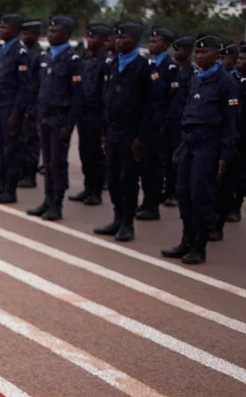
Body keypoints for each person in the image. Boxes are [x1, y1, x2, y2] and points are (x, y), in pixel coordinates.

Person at [161, 34, 238, 263]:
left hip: (209, 145)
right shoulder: (195, 79)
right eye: (197, 52)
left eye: (205, 52)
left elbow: (231, 124)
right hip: (189, 144)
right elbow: (188, 112)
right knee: (183, 193)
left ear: (217, 55)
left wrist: (225, 155)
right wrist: (180, 146)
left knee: (200, 196)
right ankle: (186, 240)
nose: (199, 56)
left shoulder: (226, 84)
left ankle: (199, 246)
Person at [94, 22, 158, 242]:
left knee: (128, 178)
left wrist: (141, 137)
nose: (119, 41)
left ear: (136, 40)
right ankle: (117, 217)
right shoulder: (111, 65)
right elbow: (106, 101)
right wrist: (104, 133)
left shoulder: (144, 67)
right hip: (112, 131)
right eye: (117, 38)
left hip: (132, 133)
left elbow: (151, 106)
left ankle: (128, 223)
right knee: (112, 177)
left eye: (125, 38)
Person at [25, 15, 84, 221]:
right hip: (45, 117)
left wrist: (69, 125)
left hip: (60, 120)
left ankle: (57, 204)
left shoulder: (73, 60)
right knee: (47, 161)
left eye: (55, 31)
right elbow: (37, 88)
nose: (50, 35)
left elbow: (77, 97)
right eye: (49, 31)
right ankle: (47, 200)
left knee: (58, 163)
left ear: (66, 34)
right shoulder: (45, 56)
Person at [0, 14, 31, 203]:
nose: (2, 30)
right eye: (1, 27)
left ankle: (10, 189)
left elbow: (24, 87)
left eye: (6, 27)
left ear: (16, 30)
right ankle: (1, 185)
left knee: (11, 149)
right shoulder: (2, 50)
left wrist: (16, 113)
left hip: (11, 107)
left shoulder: (20, 53)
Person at [136, 26, 182, 222]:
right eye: (150, 41)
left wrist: (165, 125)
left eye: (155, 42)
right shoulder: (150, 66)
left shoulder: (171, 68)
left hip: (161, 128)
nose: (150, 44)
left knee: (155, 167)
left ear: (165, 44)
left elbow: (174, 101)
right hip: (147, 125)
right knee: (145, 166)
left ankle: (153, 205)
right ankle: (147, 201)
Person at [211, 41, 246, 235]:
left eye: (242, 59)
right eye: (237, 58)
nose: (239, 62)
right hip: (225, 138)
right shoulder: (230, 80)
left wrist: (239, 140)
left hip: (242, 140)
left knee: (238, 176)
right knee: (220, 179)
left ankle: (234, 207)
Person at [69, 23, 113, 206]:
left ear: (103, 40)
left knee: (97, 156)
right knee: (85, 153)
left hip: (97, 116)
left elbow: (106, 94)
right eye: (88, 37)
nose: (89, 41)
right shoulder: (86, 60)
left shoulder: (107, 63)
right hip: (84, 114)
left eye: (93, 37)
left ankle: (96, 191)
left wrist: (103, 119)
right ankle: (88, 188)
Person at [164, 35, 195, 207]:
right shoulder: (173, 70)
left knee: (178, 158)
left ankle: (175, 192)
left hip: (182, 123)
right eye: (175, 49)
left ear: (188, 51)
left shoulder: (192, 73)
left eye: (180, 49)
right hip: (170, 120)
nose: (176, 53)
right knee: (166, 158)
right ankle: (168, 190)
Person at [19, 19, 44, 189]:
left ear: (35, 35)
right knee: (21, 140)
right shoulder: (23, 52)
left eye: (28, 34)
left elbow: (38, 85)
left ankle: (30, 175)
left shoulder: (38, 55)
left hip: (32, 105)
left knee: (31, 141)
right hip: (21, 103)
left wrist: (34, 107)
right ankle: (22, 172)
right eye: (24, 33)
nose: (25, 36)